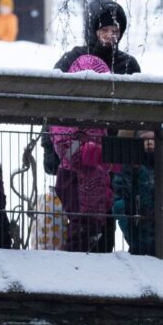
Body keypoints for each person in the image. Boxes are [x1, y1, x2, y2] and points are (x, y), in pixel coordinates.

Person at [49, 54, 127, 252]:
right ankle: (74, 269)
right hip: (73, 178)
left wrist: (109, 160)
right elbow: (63, 144)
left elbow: (102, 143)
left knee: (95, 230)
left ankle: (93, 271)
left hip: (97, 179)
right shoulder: (67, 109)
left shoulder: (99, 113)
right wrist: (88, 152)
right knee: (80, 229)